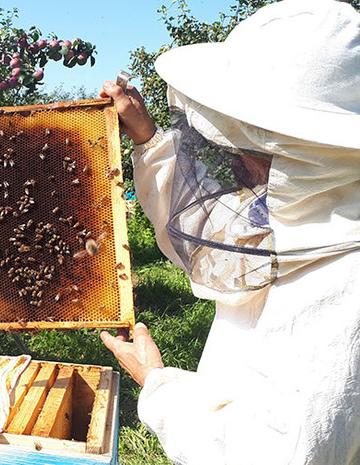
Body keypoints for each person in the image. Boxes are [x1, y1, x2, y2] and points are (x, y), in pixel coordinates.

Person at [98, 1, 360, 464]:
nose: (234, 158)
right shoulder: (314, 214)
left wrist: (158, 383)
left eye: (252, 141)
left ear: (310, 150)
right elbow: (216, 235)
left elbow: (270, 453)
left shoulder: (348, 283)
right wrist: (146, 136)